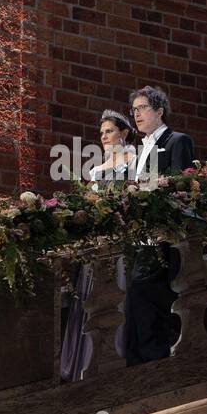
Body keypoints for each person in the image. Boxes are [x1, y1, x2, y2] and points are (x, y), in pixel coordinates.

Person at [61, 111, 136, 382]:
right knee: (90, 295)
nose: (104, 137)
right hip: (98, 241)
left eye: (110, 131)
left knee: (118, 290)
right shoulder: (97, 168)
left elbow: (137, 196)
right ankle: (88, 359)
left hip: (120, 240)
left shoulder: (134, 161)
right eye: (102, 133)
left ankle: (116, 352)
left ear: (124, 133)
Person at [124, 86, 195, 365]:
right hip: (141, 237)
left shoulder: (178, 140)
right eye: (134, 110)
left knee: (155, 297)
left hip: (165, 236)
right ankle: (141, 362)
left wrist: (150, 188)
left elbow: (182, 184)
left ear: (159, 111)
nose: (136, 114)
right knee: (137, 302)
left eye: (142, 108)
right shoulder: (140, 150)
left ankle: (158, 360)